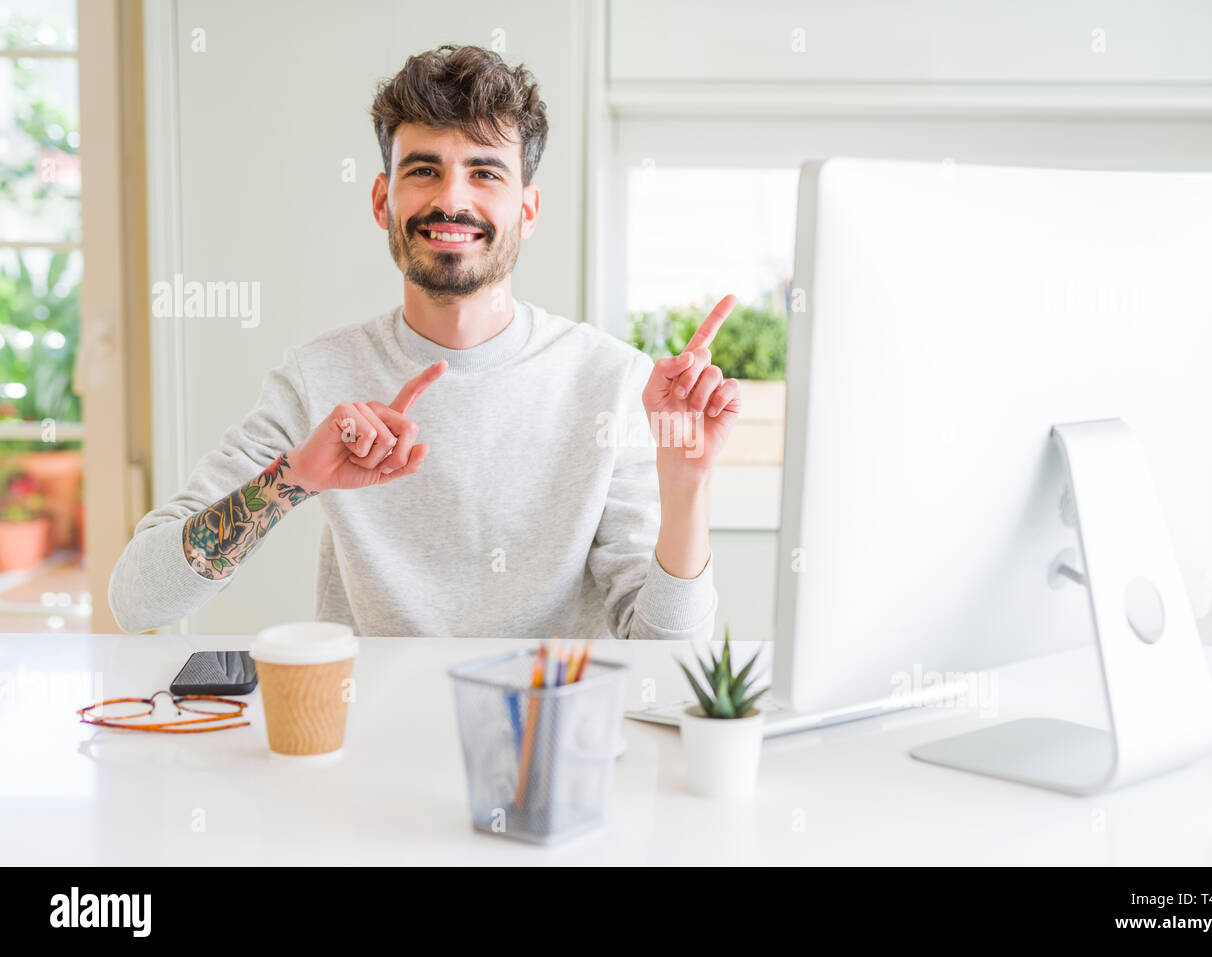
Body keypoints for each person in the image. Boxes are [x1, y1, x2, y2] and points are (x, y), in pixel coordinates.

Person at [107, 45, 741, 640]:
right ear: (383, 200)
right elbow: (138, 601)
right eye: (423, 170)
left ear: (528, 208)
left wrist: (686, 489)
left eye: (485, 172)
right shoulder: (318, 376)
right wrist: (293, 480)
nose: (450, 199)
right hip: (365, 741)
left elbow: (664, 650)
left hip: (546, 742)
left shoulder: (613, 379)